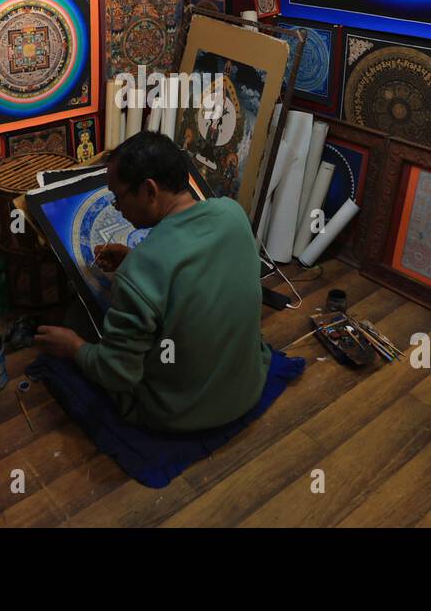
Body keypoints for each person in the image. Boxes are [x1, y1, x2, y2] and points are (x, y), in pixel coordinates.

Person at [34, 131, 271, 432]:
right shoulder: (232, 213)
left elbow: (117, 374)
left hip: (182, 412)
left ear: (149, 190)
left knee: (78, 320)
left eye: (118, 198)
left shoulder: (141, 270)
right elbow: (195, 268)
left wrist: (73, 347)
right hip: (248, 387)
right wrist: (134, 259)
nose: (118, 208)